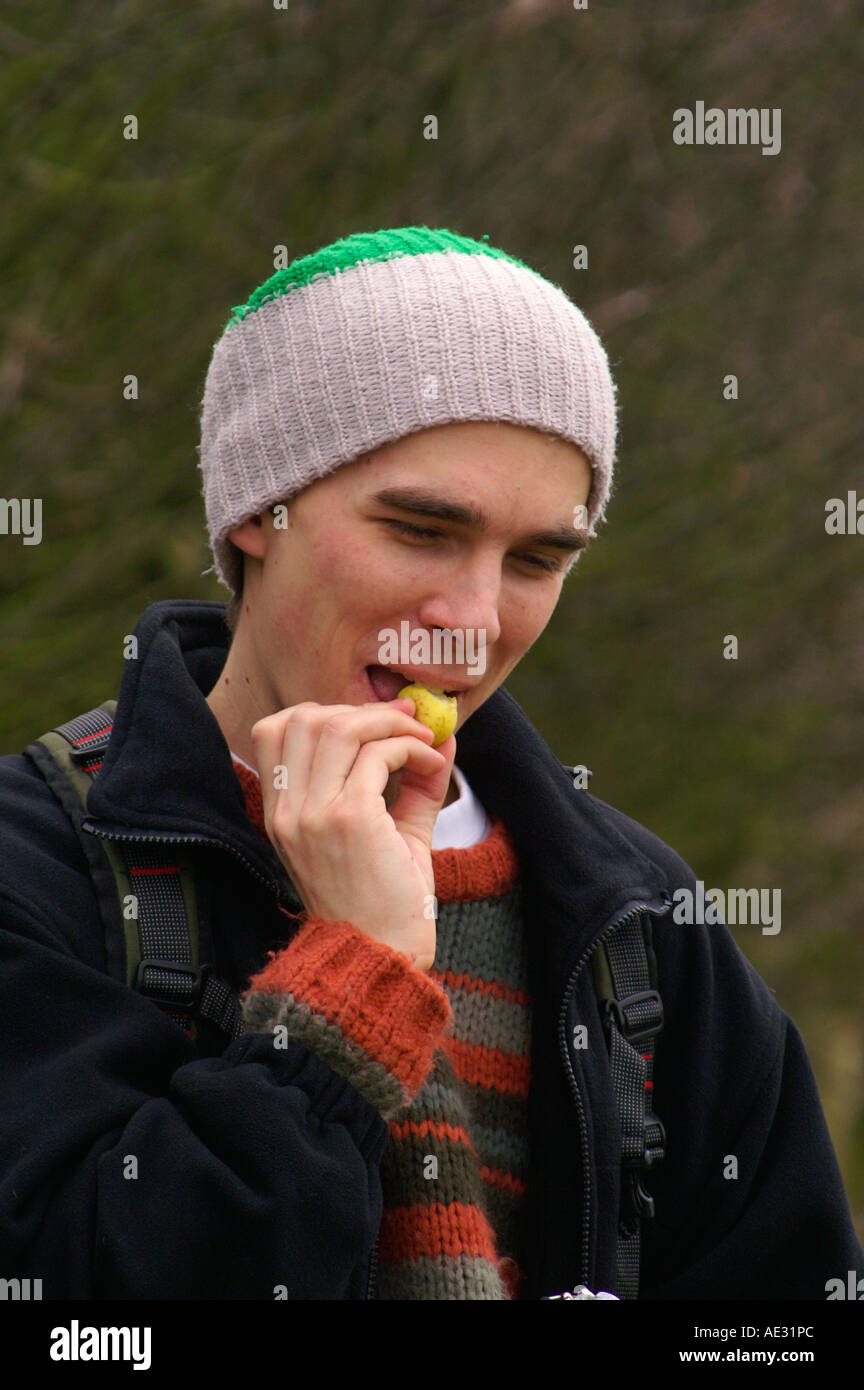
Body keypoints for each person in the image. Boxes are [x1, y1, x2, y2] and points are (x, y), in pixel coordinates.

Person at [1, 225, 861, 1301]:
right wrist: (348, 984)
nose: (471, 621)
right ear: (258, 514)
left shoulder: (642, 929)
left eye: (539, 559)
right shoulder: (34, 873)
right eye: (420, 530)